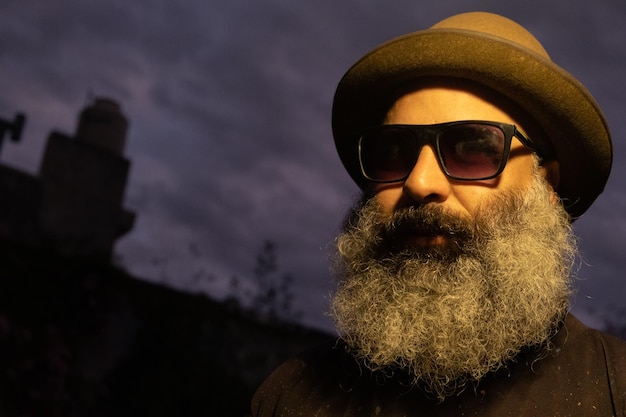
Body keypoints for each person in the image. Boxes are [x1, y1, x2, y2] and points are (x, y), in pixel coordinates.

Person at [251, 11, 626, 416]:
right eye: (394, 152)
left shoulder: (615, 389)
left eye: (472, 149)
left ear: (547, 187)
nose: (419, 182)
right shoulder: (289, 396)